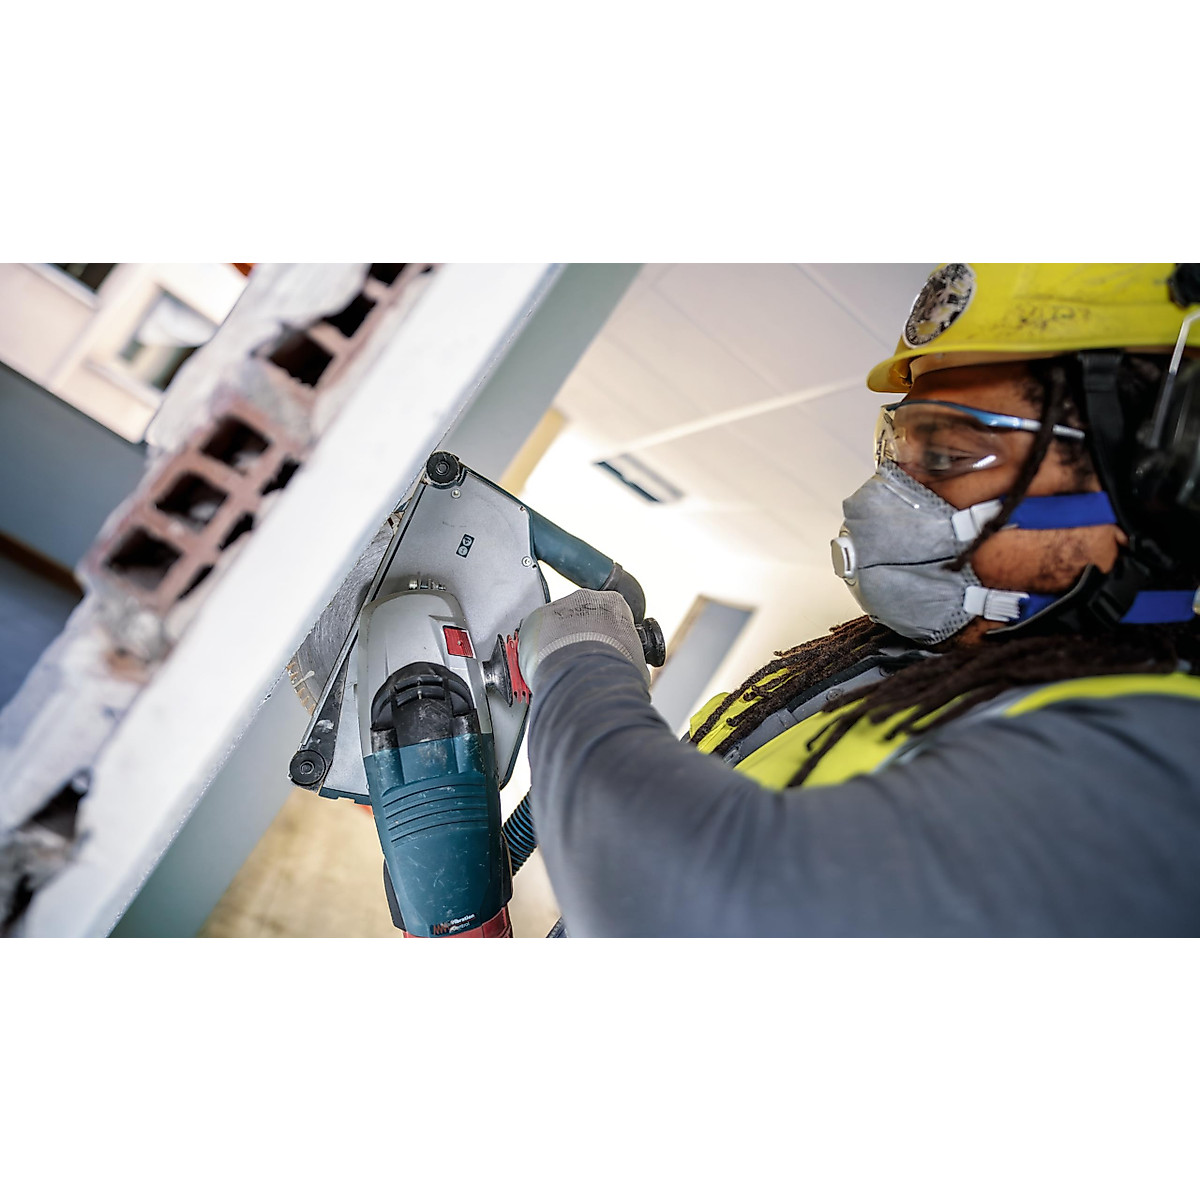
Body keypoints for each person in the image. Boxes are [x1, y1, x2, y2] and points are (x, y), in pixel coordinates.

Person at [517, 263, 1200, 936]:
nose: (878, 499)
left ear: (1159, 483)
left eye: (948, 455)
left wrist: (582, 662)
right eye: (896, 448)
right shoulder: (899, 663)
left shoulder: (1158, 770)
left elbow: (682, 893)